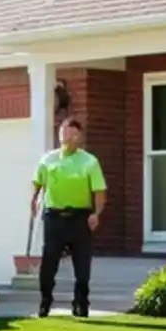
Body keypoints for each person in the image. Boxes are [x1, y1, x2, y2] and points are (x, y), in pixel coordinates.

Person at [31, 119, 106, 318]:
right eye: (64, 134)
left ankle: (81, 303)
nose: (67, 138)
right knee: (49, 264)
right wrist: (34, 199)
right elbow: (37, 183)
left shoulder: (89, 161)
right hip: (54, 217)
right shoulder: (48, 159)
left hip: (80, 218)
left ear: (79, 137)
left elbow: (99, 191)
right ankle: (45, 301)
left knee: (82, 267)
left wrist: (96, 214)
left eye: (72, 135)